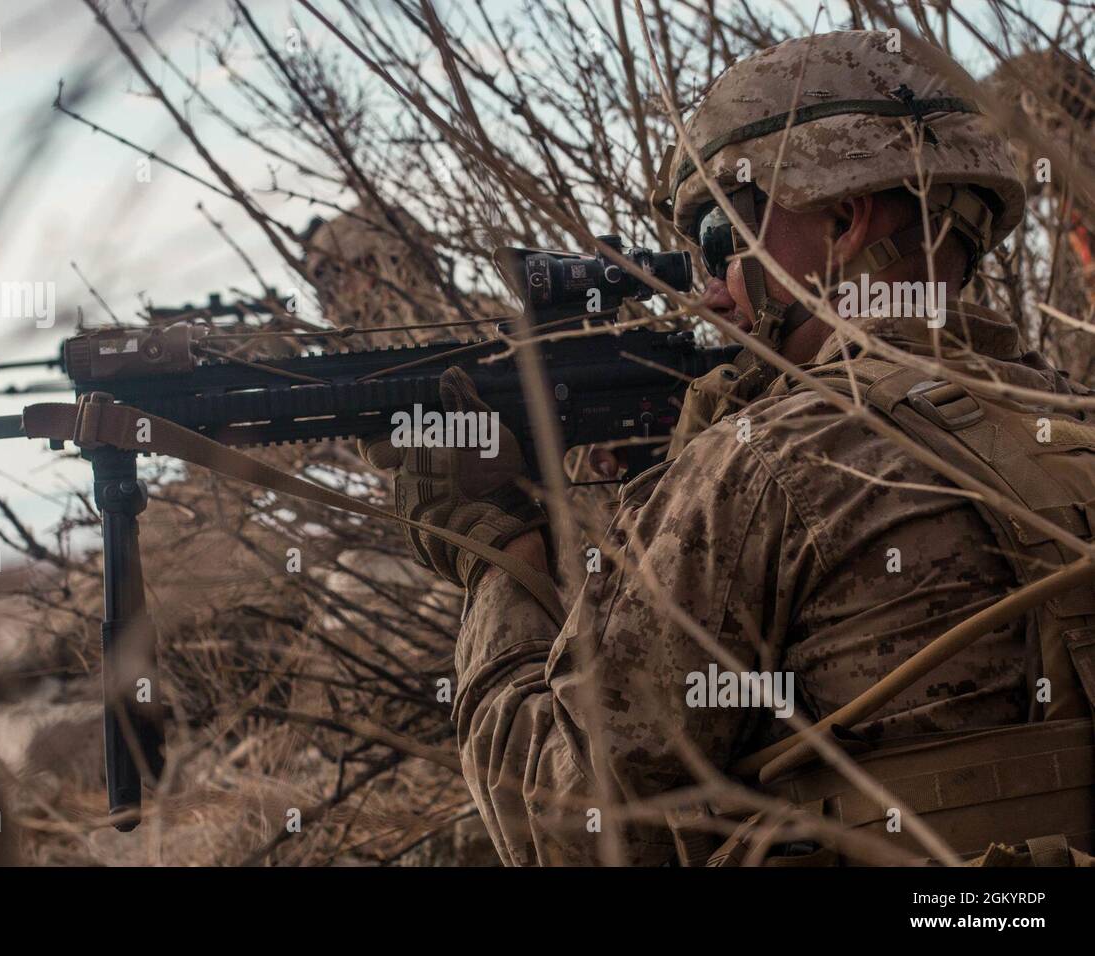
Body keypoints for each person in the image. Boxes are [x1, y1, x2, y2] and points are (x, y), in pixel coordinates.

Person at [359, 30, 1095, 866]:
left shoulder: (768, 469)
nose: (711, 288)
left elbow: (564, 822)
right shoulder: (1071, 413)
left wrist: (491, 552)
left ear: (845, 221)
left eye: (718, 236)